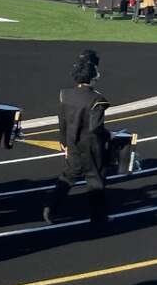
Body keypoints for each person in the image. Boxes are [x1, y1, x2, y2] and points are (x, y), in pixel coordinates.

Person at [43, 50, 109, 226]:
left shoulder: (65, 94)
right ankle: (98, 219)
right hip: (90, 146)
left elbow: (62, 121)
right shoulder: (97, 99)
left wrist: (63, 142)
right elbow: (96, 128)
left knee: (69, 176)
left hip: (71, 142)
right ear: (92, 77)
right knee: (95, 180)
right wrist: (109, 135)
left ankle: (51, 207)